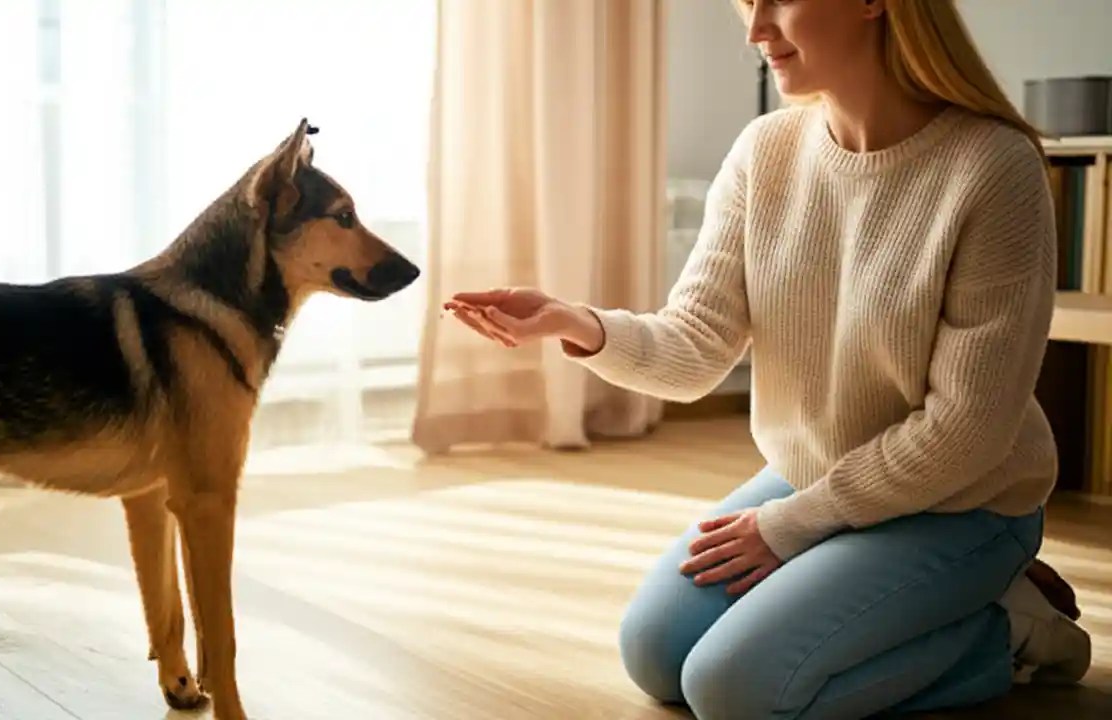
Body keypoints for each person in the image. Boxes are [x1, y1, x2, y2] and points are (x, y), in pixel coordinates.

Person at [443, 0, 1093, 717]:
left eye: (777, 1)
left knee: (735, 691)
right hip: (814, 479)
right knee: (656, 654)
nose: (755, 31)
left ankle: (1006, 632)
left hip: (962, 502)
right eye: (746, 5)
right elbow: (693, 347)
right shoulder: (767, 151)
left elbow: (964, 433)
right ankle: (928, 602)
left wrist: (788, 528)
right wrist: (580, 325)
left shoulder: (993, 167)